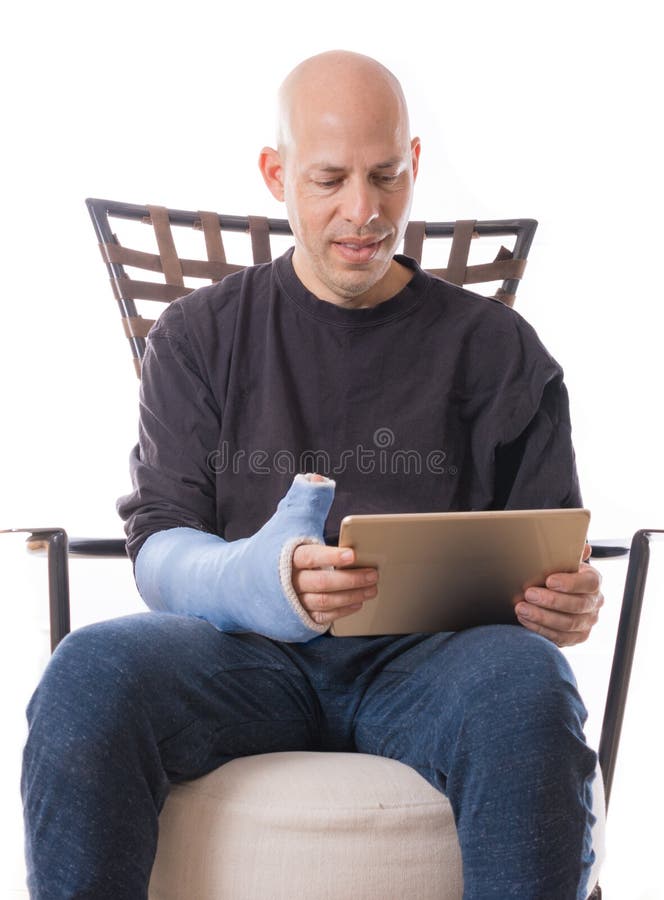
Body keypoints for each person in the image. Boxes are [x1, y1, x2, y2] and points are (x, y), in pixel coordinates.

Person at [22, 50, 604, 899]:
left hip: (433, 665)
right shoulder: (197, 336)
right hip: (240, 658)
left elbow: (548, 552)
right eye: (329, 180)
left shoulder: (498, 350)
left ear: (415, 164)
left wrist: (566, 601)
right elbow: (159, 545)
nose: (363, 212)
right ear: (276, 174)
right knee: (88, 675)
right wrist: (262, 578)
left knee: (529, 688)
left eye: (386, 176)